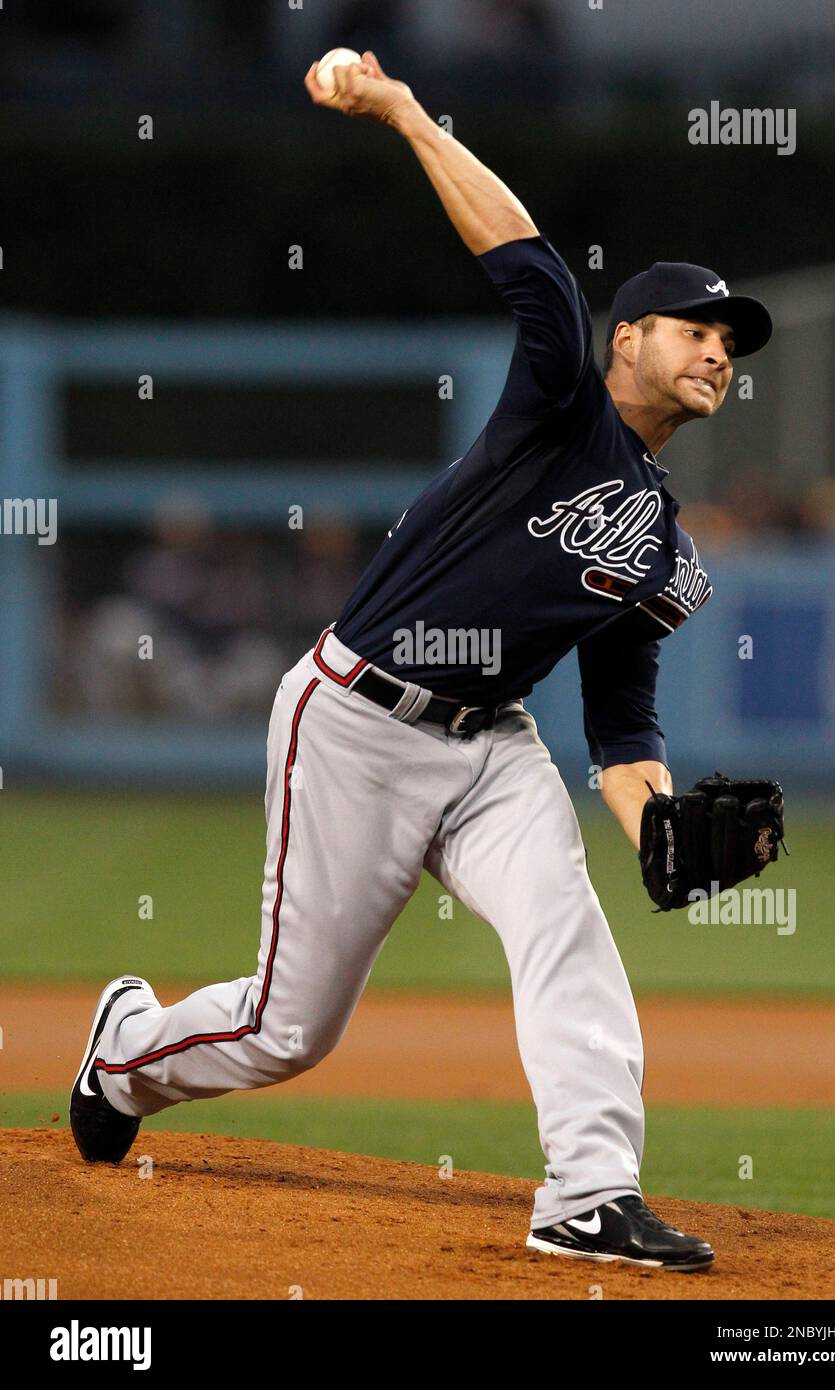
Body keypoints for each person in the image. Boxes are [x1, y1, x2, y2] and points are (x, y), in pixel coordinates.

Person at [70, 52, 773, 1273]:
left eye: (730, 339)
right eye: (696, 328)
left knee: (567, 930)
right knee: (293, 1029)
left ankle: (589, 1193)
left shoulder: (660, 537)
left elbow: (621, 719)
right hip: (354, 719)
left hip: (494, 747)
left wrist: (655, 826)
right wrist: (399, 109)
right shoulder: (562, 399)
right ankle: (127, 1048)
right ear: (631, 337)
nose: (718, 351)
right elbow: (531, 264)